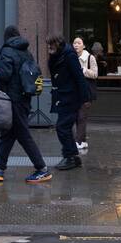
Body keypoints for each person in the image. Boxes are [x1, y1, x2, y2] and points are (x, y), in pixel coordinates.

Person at [0, 26, 52, 184]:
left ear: (6, 37)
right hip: (24, 98)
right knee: (8, 134)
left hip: (14, 100)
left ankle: (42, 169)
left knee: (23, 135)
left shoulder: (7, 50)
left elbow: (6, 74)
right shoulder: (26, 51)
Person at [47, 34, 89, 171]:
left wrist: (85, 98)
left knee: (62, 127)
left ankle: (70, 156)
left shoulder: (69, 56)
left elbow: (79, 77)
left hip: (71, 97)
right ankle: (73, 157)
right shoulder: (58, 56)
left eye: (51, 45)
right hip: (63, 96)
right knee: (63, 127)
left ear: (58, 44)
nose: (49, 48)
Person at [73, 36, 99, 154]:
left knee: (82, 117)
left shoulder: (90, 58)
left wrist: (83, 70)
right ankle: (82, 141)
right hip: (76, 92)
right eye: (74, 43)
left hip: (87, 92)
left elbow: (95, 74)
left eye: (79, 43)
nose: (76, 45)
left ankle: (78, 141)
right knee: (78, 117)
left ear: (83, 46)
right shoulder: (72, 58)